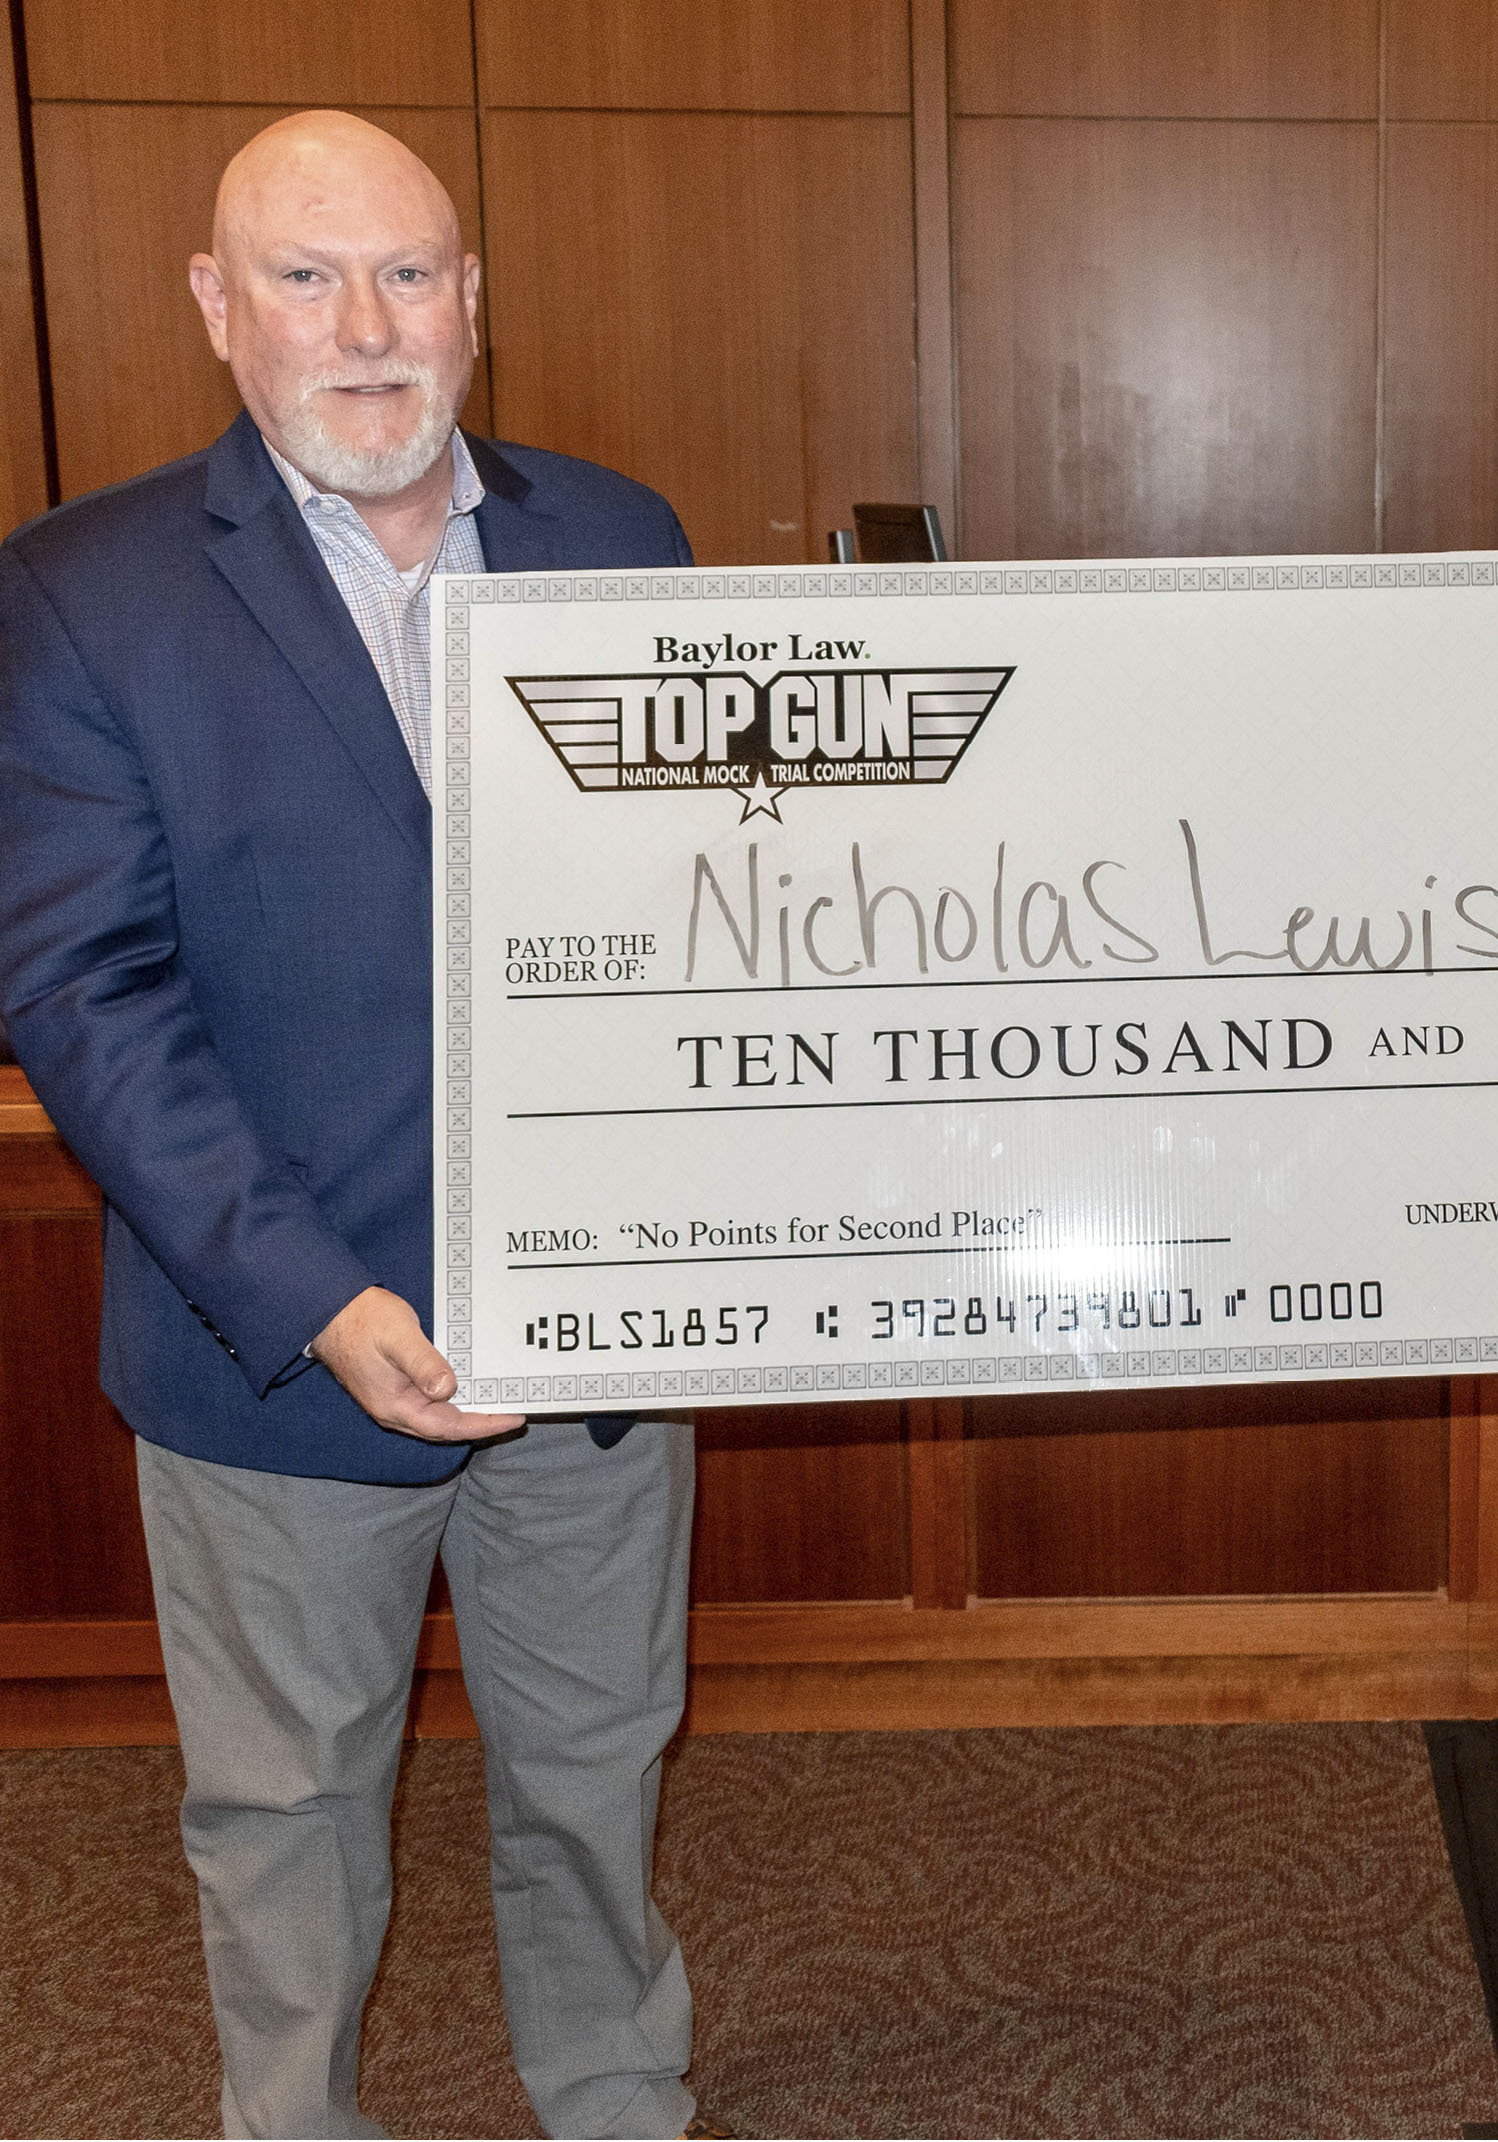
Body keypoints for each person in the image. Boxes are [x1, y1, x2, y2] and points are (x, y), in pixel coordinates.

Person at [0, 112, 706, 2139]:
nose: (367, 326)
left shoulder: (622, 541)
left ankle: (615, 2104)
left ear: (474, 302)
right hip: (279, 1347)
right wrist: (320, 1300)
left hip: (597, 1340)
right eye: (306, 279)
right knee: (288, 1810)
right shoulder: (76, 596)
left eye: (410, 274)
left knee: (595, 1764)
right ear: (222, 311)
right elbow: (85, 1001)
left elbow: (720, 923)